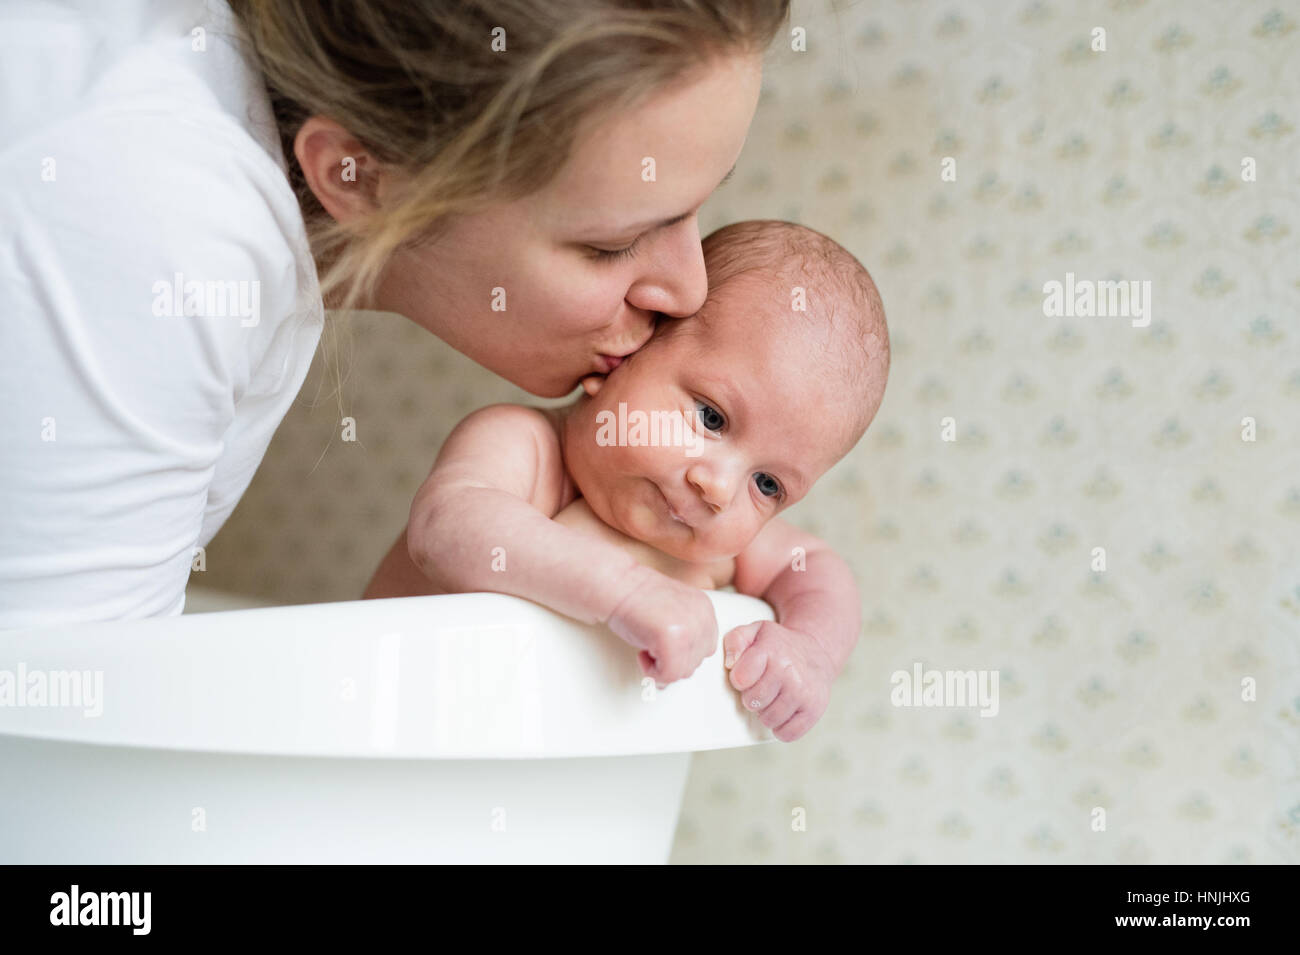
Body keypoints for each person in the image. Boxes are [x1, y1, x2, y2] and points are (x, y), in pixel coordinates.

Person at [0, 0, 789, 629]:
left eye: (696, 210)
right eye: (615, 244)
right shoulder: (157, 226)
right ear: (362, 178)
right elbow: (61, 751)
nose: (689, 289)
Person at [366, 220, 891, 741]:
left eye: (769, 485)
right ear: (625, 355)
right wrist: (625, 591)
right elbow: (446, 526)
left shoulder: (708, 548)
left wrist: (811, 650)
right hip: (385, 739)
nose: (720, 488)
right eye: (711, 418)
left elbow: (818, 570)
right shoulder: (526, 447)